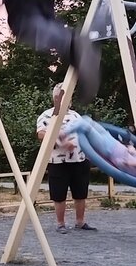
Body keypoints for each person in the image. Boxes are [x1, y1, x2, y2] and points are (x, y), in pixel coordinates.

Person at [36, 83, 97, 233]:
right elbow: (41, 134)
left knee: (81, 192)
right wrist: (61, 142)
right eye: (64, 96)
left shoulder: (75, 115)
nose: (67, 100)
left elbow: (85, 134)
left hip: (79, 160)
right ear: (56, 98)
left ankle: (80, 222)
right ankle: (60, 224)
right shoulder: (46, 115)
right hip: (58, 162)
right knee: (59, 194)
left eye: (69, 96)